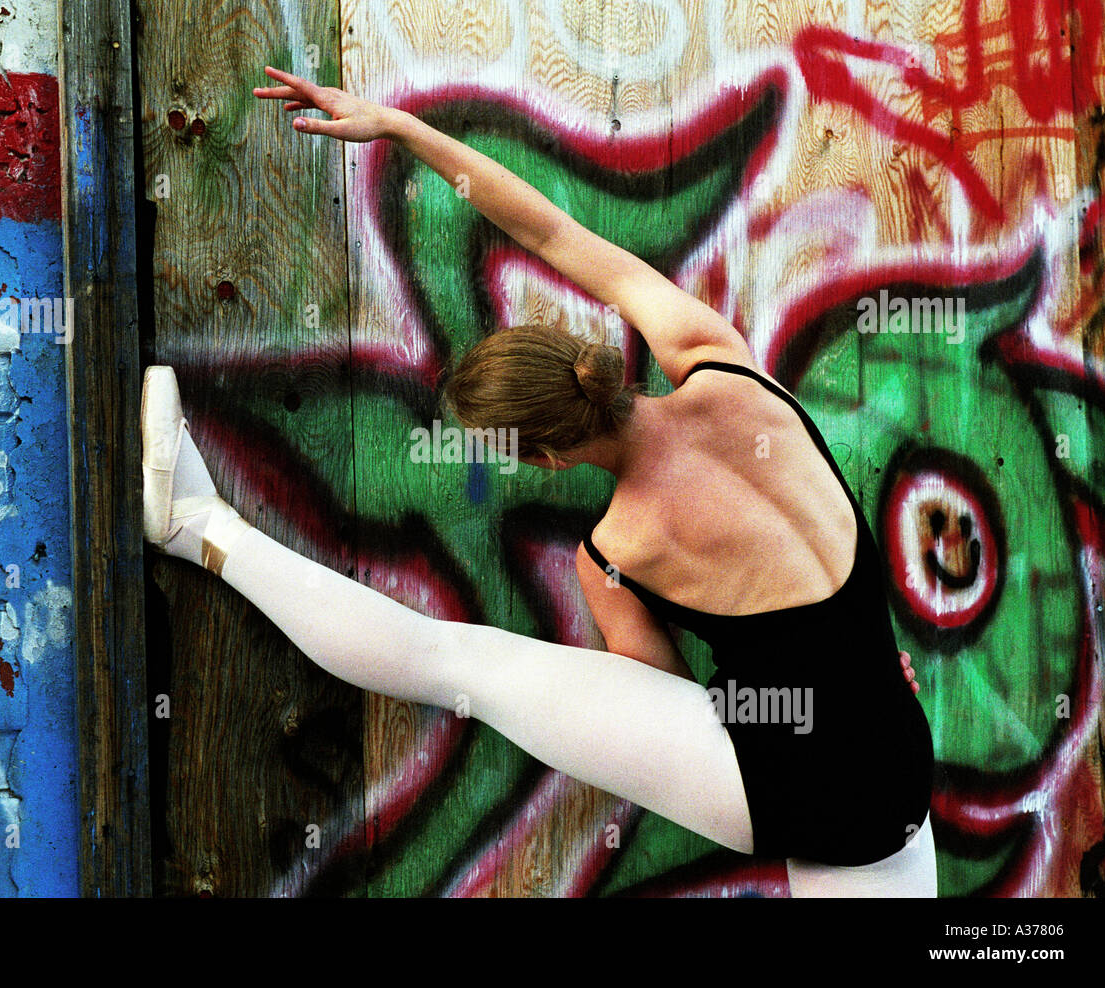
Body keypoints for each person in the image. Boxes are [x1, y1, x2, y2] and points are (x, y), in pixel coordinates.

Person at [140, 65, 936, 897]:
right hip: (895, 772)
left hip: (797, 788)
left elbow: (660, 713)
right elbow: (555, 235)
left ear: (547, 460)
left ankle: (196, 524)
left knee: (450, 659)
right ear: (583, 360)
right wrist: (404, 129)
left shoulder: (619, 551)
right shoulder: (718, 362)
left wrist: (399, 133)